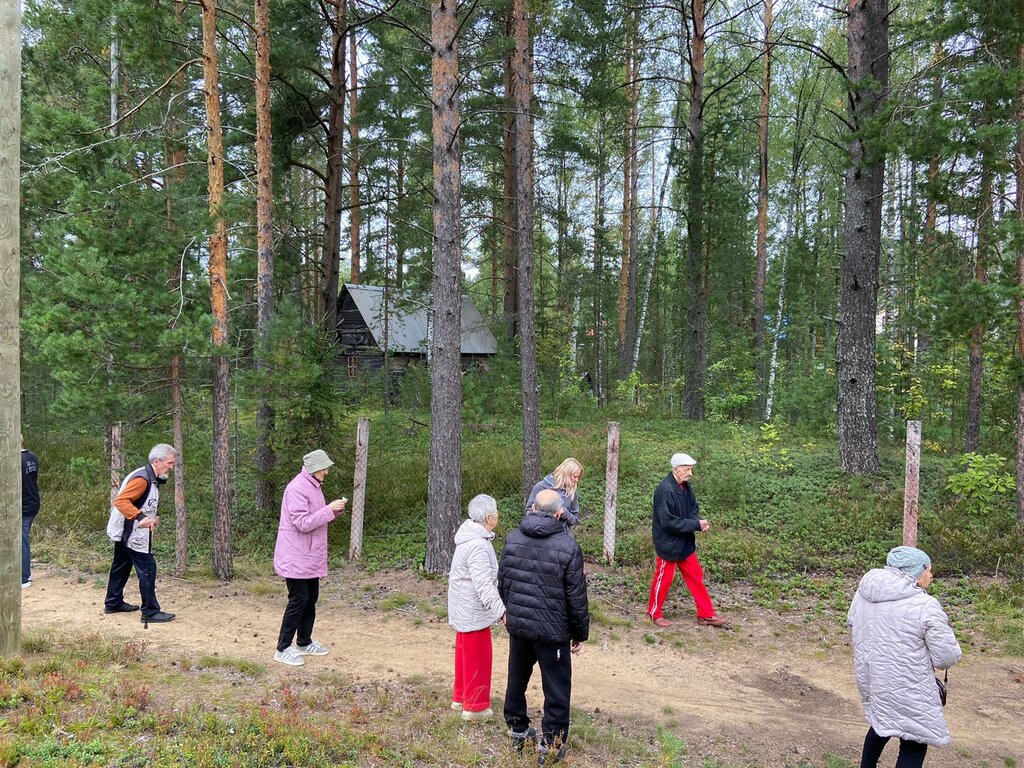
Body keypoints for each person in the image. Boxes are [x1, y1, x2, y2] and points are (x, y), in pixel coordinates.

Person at [848, 546, 962, 768]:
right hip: (910, 686)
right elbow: (945, 658)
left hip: (874, 678)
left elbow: (853, 622)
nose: (931, 575)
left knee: (881, 723)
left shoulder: (864, 593)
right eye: (929, 570)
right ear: (917, 572)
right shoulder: (925, 605)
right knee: (914, 742)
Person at [499, 488, 589, 767]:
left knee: (517, 678)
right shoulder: (567, 546)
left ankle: (517, 728)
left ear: (534, 508)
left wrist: (509, 612)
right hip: (553, 632)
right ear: (559, 512)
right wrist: (579, 632)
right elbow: (576, 595)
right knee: (557, 688)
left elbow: (503, 582)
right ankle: (552, 743)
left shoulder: (513, 539)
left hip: (521, 626)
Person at [272, 449, 348, 667]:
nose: (326, 471)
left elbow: (315, 517)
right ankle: (282, 648)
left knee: (311, 597)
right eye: (324, 468)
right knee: (298, 599)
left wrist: (334, 510)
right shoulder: (296, 488)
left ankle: (304, 642)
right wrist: (328, 510)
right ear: (314, 468)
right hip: (295, 554)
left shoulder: (314, 486)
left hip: (309, 554)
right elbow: (303, 523)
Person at [646, 452, 727, 628]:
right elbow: (667, 522)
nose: (690, 473)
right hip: (668, 543)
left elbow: (693, 508)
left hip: (685, 542)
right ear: (676, 469)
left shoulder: (686, 486)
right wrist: (694, 524)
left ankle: (706, 614)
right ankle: (654, 613)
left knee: (696, 576)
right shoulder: (664, 490)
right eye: (687, 469)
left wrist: (696, 522)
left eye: (691, 469)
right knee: (663, 578)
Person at [447, 494, 505, 721]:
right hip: (473, 608)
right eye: (496, 512)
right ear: (489, 518)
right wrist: (501, 610)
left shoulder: (469, 538)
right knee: (478, 656)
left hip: (465, 606)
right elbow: (483, 584)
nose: (498, 516)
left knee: (465, 652)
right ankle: (476, 706)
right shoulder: (479, 546)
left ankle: (461, 697)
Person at [104, 443, 177, 623]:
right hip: (132, 532)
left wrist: (154, 515)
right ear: (156, 461)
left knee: (121, 566)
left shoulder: (150, 477)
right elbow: (121, 502)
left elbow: (146, 500)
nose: (171, 467)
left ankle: (113, 602)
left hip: (127, 530)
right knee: (148, 568)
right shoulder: (142, 479)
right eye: (169, 463)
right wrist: (140, 517)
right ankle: (150, 612)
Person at [525, 458, 583, 528]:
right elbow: (528, 511)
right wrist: (544, 513)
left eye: (578, 477)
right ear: (566, 474)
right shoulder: (540, 486)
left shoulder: (572, 492)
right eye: (575, 476)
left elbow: (575, 521)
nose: (577, 480)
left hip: (562, 534)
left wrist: (564, 512)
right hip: (539, 530)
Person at [21, 443, 40, 588]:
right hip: (33, 502)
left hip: (23, 506)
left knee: (22, 540)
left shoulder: (16, 460)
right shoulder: (32, 457)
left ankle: (24, 577)